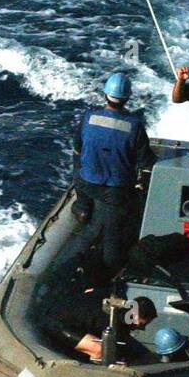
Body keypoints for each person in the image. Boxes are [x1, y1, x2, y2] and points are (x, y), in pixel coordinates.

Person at [71, 71, 154, 278]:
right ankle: (110, 274)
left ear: (105, 95)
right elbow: (146, 161)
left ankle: (82, 210)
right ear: (127, 98)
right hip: (114, 191)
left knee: (91, 221)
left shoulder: (88, 117)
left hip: (86, 184)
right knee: (113, 241)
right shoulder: (134, 126)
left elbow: (77, 151)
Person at [53, 291, 157, 364]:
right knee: (101, 350)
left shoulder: (122, 311)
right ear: (135, 315)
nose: (142, 328)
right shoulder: (117, 320)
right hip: (59, 324)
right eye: (142, 324)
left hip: (72, 318)